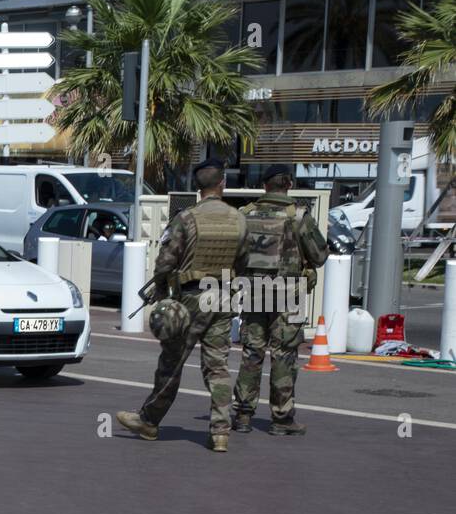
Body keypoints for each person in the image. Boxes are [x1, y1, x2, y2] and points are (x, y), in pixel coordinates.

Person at [116, 158, 248, 453]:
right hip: (223, 298)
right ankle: (220, 432)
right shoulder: (239, 219)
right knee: (218, 366)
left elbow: (166, 262)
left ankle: (149, 422)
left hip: (190, 297)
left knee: (172, 363)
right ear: (222, 184)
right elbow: (243, 262)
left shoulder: (186, 218)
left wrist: (162, 292)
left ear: (198, 187)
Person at [232, 164, 329, 435]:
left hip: (253, 293)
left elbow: (234, 254)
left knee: (252, 353)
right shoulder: (298, 216)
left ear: (264, 185)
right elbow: (320, 256)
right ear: (288, 183)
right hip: (289, 297)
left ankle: (242, 415)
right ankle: (282, 419)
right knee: (284, 354)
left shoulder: (245, 215)